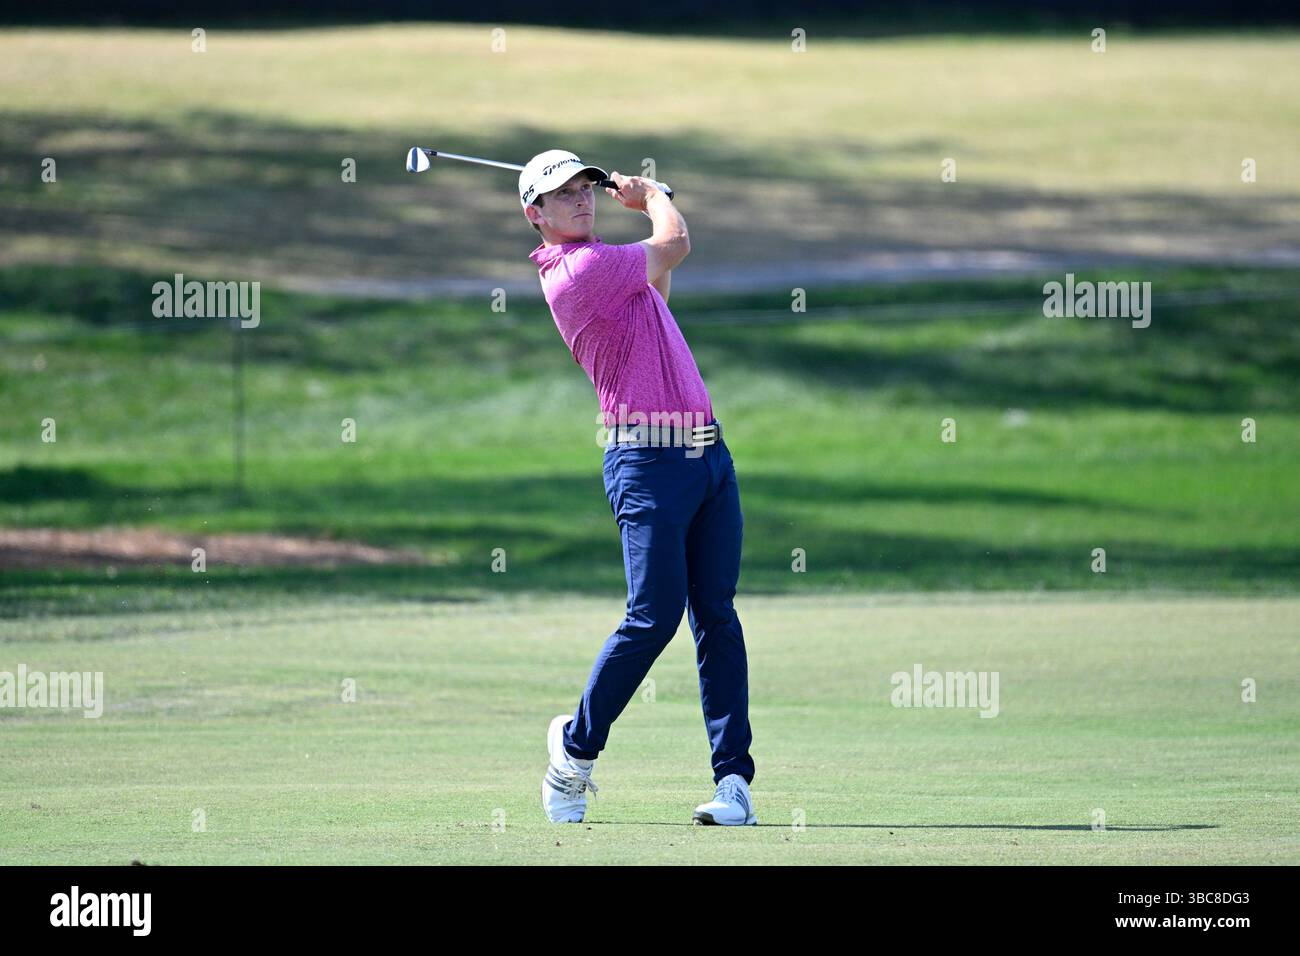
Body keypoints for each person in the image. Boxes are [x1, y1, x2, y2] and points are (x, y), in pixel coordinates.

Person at [521, 149, 756, 826]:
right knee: (653, 616)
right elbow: (676, 242)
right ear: (535, 216)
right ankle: (573, 756)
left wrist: (651, 208)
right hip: (647, 463)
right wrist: (653, 196)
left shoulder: (611, 268)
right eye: (563, 195)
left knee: (715, 614)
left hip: (708, 455)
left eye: (587, 188)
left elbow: (659, 291)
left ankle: (733, 782)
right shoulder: (581, 270)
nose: (581, 200)